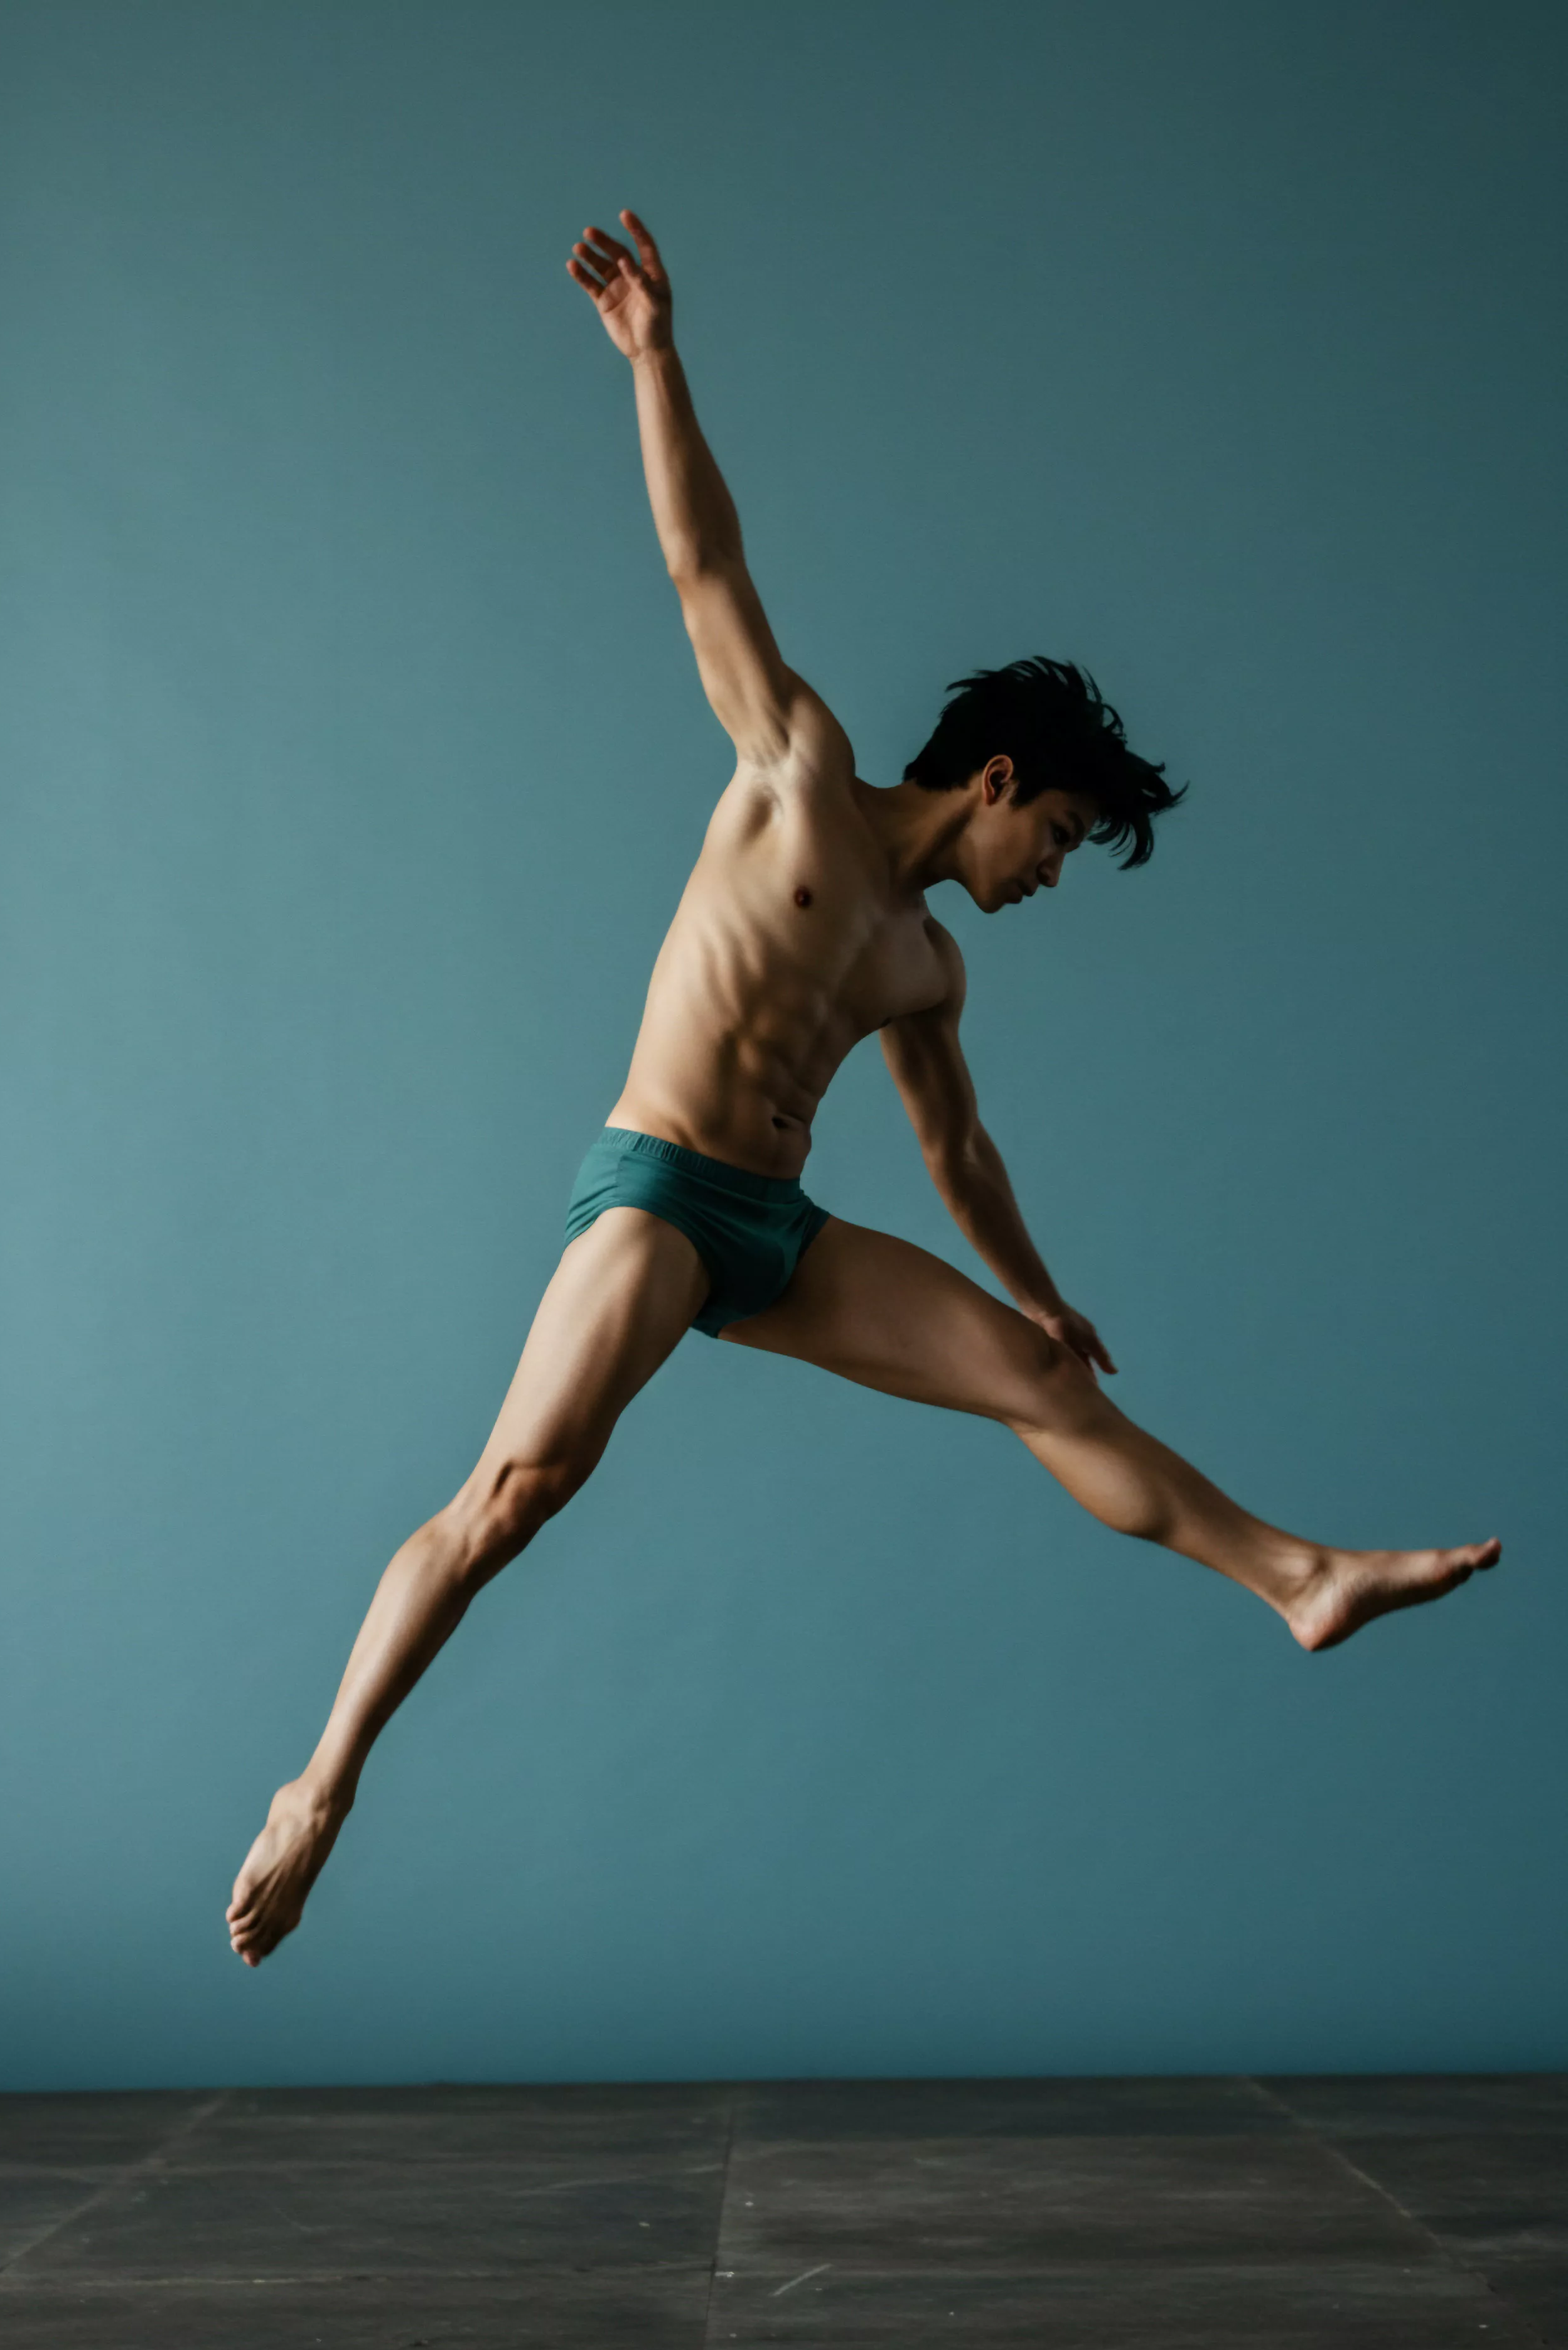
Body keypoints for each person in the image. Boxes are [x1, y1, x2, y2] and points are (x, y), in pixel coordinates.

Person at [227, 211, 1499, 1968]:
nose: (1051, 873)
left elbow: (954, 1146)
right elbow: (701, 568)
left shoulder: (929, 963)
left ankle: (1300, 1581)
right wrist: (657, 359)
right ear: (991, 781)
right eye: (1053, 834)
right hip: (660, 1189)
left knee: (1040, 1389)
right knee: (515, 1492)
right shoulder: (798, 780)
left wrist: (1040, 1293)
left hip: (779, 1229)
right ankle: (320, 1786)